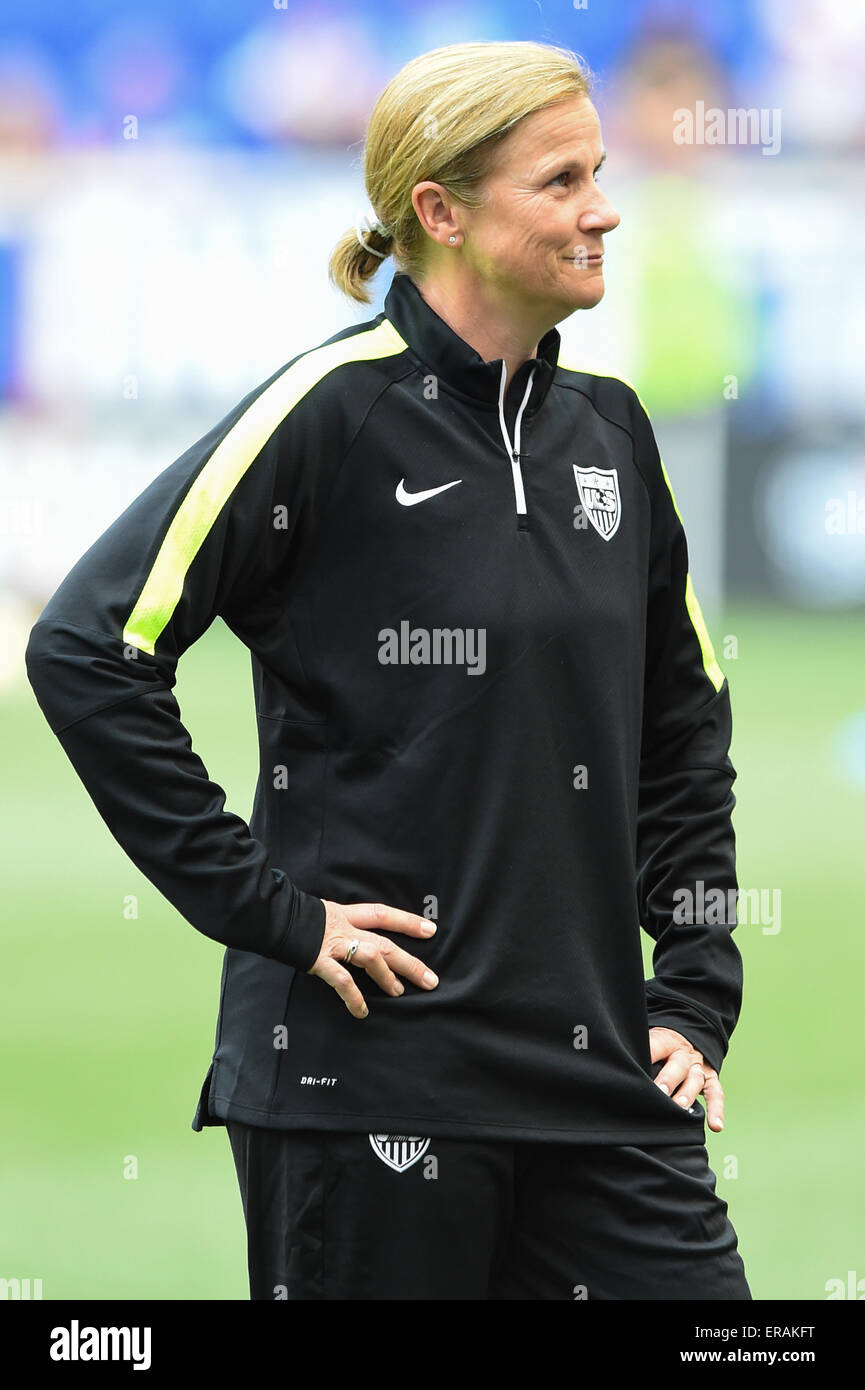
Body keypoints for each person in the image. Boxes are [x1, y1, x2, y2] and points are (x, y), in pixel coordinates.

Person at [25, 39, 751, 1300]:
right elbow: (89, 648)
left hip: (603, 1086)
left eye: (599, 168)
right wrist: (272, 913)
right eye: (560, 179)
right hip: (365, 1082)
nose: (604, 206)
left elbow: (679, 739)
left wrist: (691, 993)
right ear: (441, 211)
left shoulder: (616, 438)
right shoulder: (326, 414)